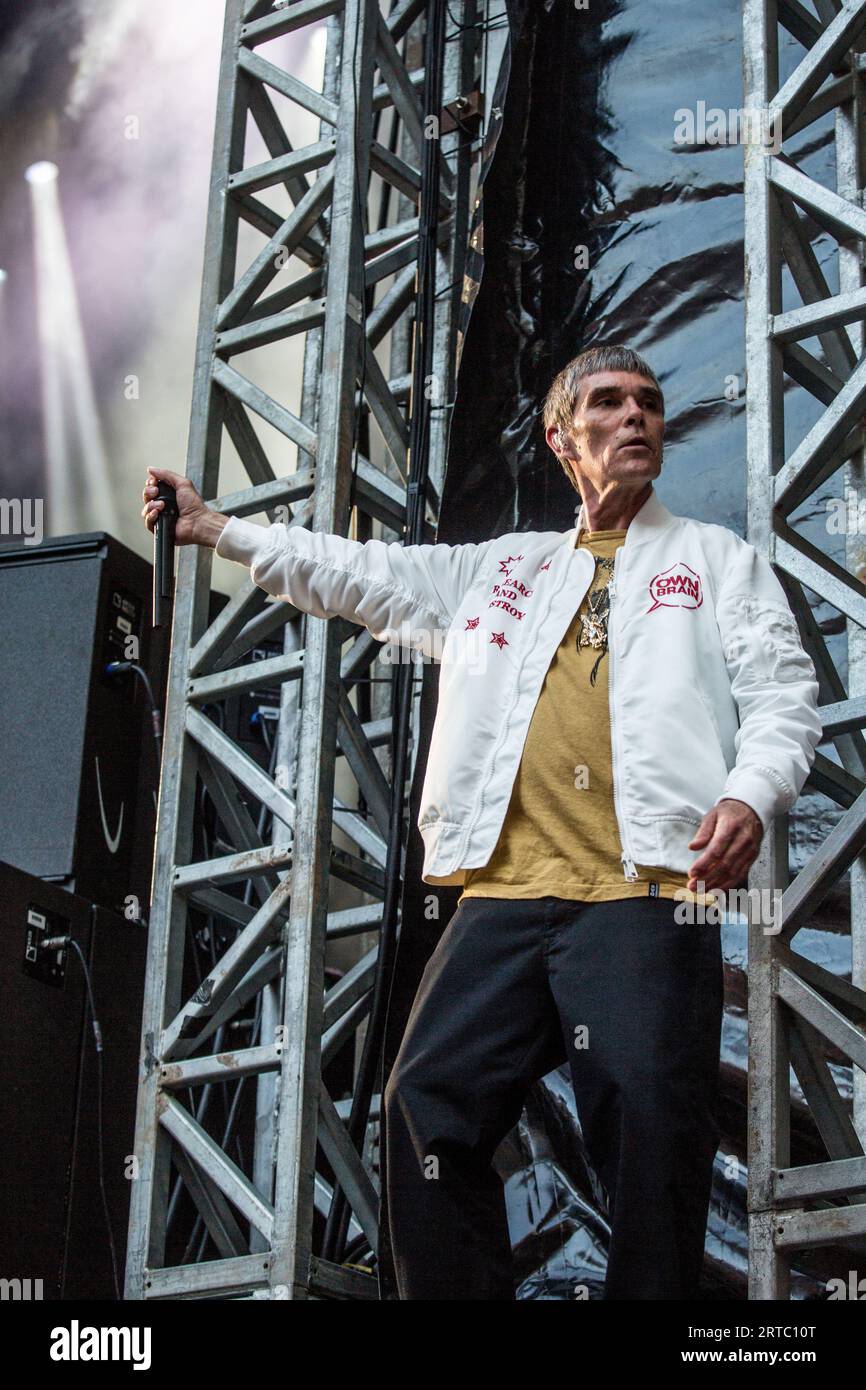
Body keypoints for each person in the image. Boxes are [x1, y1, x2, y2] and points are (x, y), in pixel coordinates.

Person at [141, 343, 822, 1300]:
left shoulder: (714, 560)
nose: (636, 416)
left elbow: (784, 694)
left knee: (651, 1129)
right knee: (424, 1102)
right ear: (561, 437)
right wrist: (216, 529)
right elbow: (358, 571)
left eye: (649, 403)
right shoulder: (506, 569)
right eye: (609, 402)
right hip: (502, 899)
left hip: (641, 892)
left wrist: (750, 794)